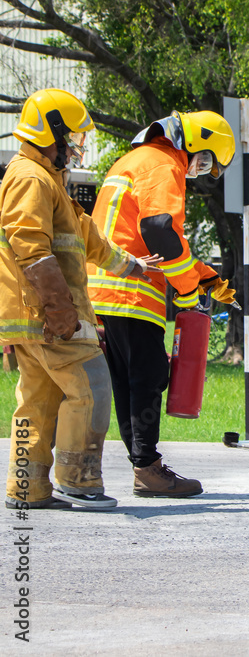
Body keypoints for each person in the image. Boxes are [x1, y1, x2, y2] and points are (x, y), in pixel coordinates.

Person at [1, 89, 159, 509]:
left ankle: (27, 489)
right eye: (72, 137)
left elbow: (84, 238)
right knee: (92, 387)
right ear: (51, 130)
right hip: (49, 317)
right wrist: (58, 310)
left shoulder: (46, 180)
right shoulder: (30, 179)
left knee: (37, 402)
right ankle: (79, 479)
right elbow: (30, 248)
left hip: (33, 320)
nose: (76, 147)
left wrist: (133, 266)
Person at [87, 110, 237, 498]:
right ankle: (148, 469)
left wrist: (205, 277)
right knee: (148, 377)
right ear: (191, 144)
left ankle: (142, 465)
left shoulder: (131, 160)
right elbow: (160, 231)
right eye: (204, 161)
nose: (197, 170)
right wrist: (188, 289)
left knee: (127, 382)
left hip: (102, 292)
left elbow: (148, 234)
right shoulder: (163, 163)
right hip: (131, 293)